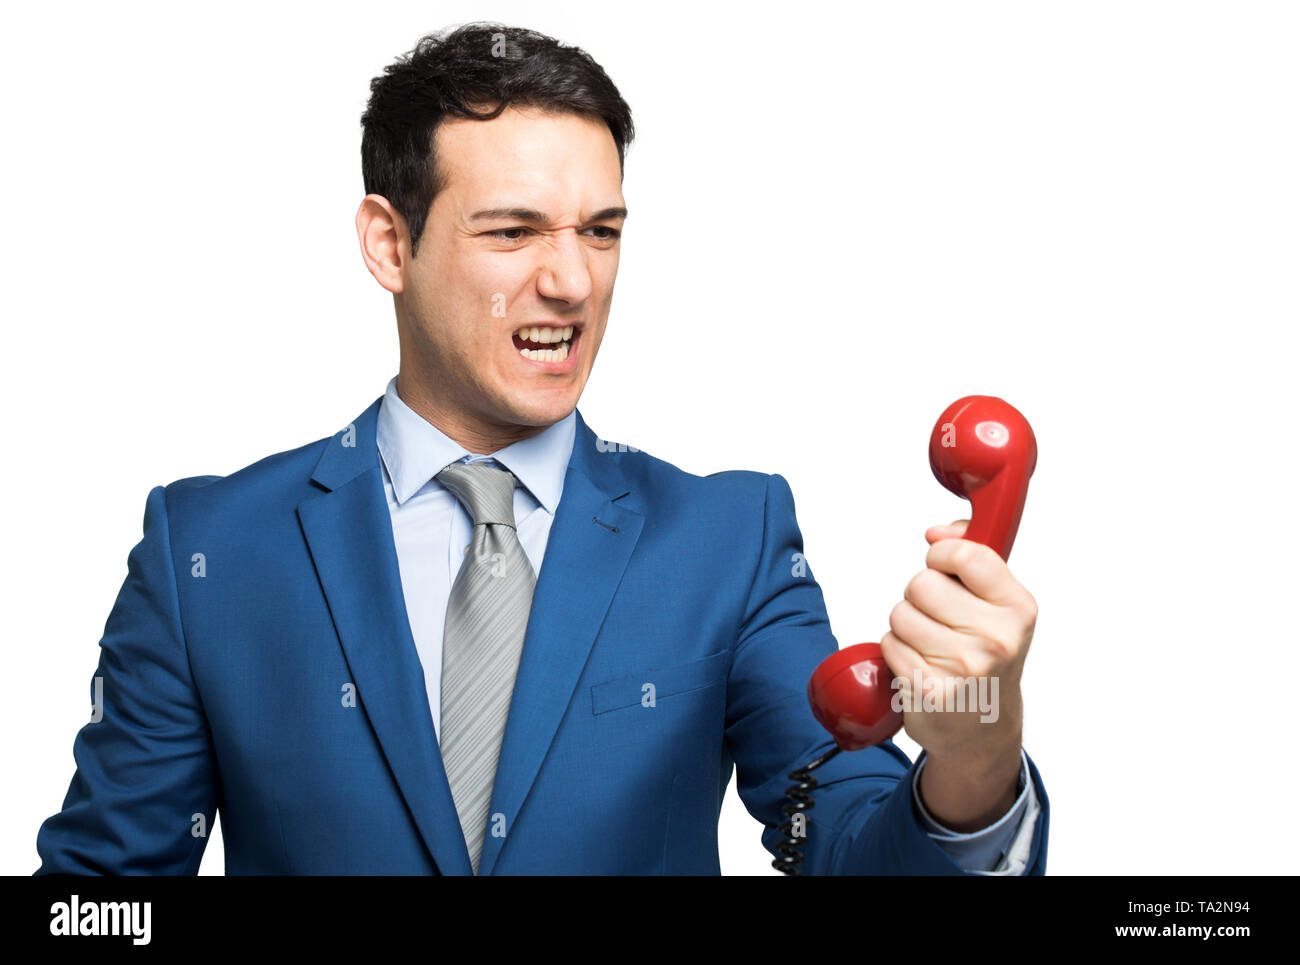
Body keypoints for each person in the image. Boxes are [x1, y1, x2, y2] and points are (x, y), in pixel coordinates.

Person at [35, 22, 1048, 875]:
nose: (572, 281)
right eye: (514, 231)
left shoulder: (727, 537)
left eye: (600, 231)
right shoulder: (209, 546)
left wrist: (972, 756)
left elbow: (854, 844)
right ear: (391, 243)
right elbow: (97, 897)